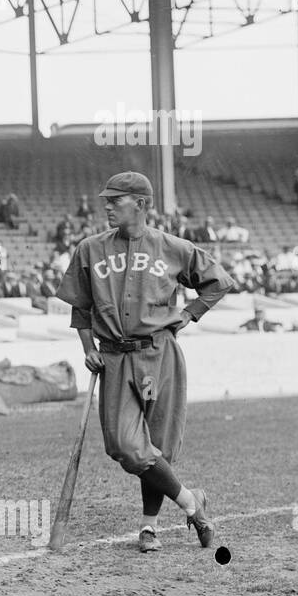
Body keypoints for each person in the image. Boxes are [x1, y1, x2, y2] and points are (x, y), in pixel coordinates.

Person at [59, 171, 232, 555]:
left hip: (159, 353)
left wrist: (190, 313)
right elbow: (79, 307)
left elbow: (218, 282)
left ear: (140, 204)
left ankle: (149, 527)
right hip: (115, 358)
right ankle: (191, 501)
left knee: (158, 447)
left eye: (114, 200)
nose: (106, 206)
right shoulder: (89, 249)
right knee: (126, 445)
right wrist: (87, 346)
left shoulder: (172, 247)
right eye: (106, 200)